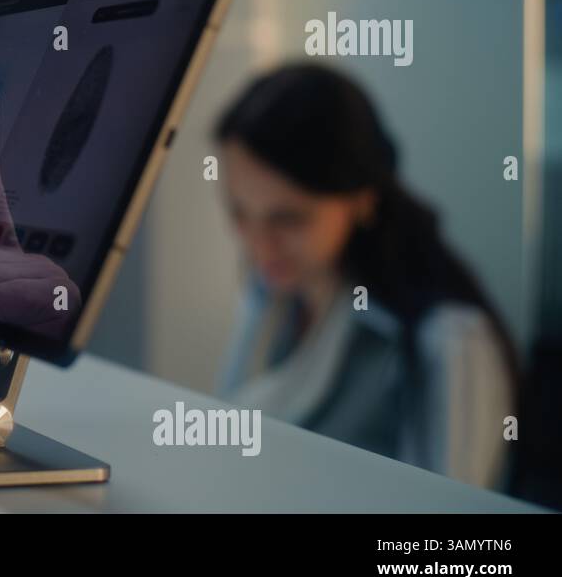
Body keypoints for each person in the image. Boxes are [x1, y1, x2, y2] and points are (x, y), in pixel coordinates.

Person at [212, 63, 517, 489]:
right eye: (240, 214)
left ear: (361, 199)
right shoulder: (271, 298)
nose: (259, 247)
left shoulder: (446, 343)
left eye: (289, 219)